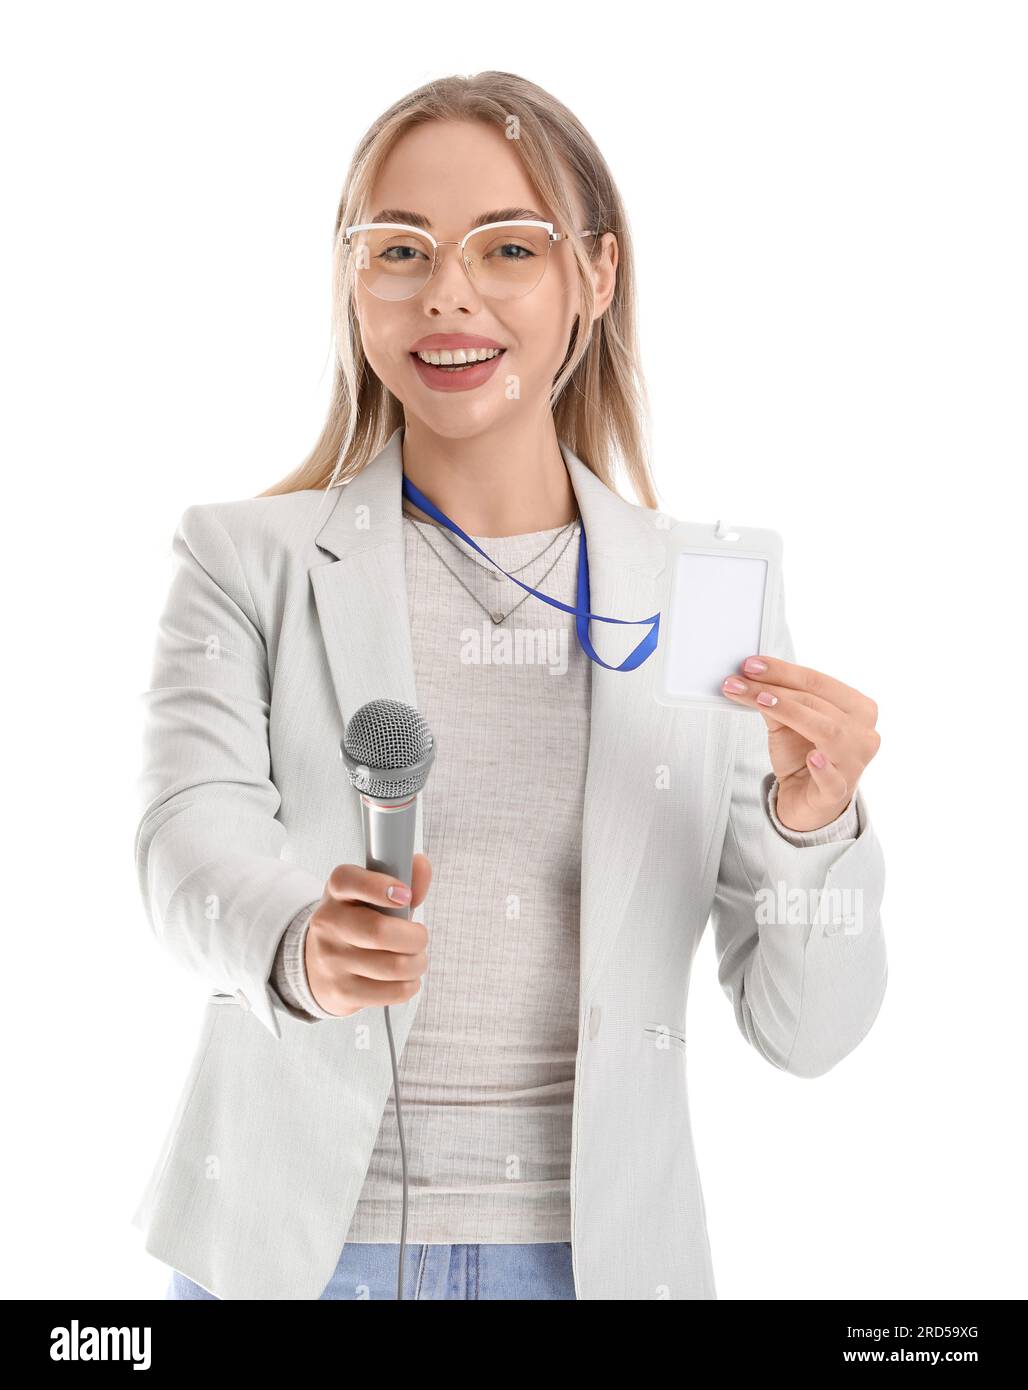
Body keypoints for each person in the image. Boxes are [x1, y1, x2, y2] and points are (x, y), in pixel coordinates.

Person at [132, 70, 887, 1301]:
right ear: (350, 280)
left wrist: (813, 832)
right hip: (295, 1256)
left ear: (594, 275)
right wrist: (295, 943)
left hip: (590, 1259)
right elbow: (185, 836)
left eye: (507, 247)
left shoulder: (704, 588)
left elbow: (805, 1032)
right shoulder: (245, 560)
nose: (447, 294)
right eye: (399, 250)